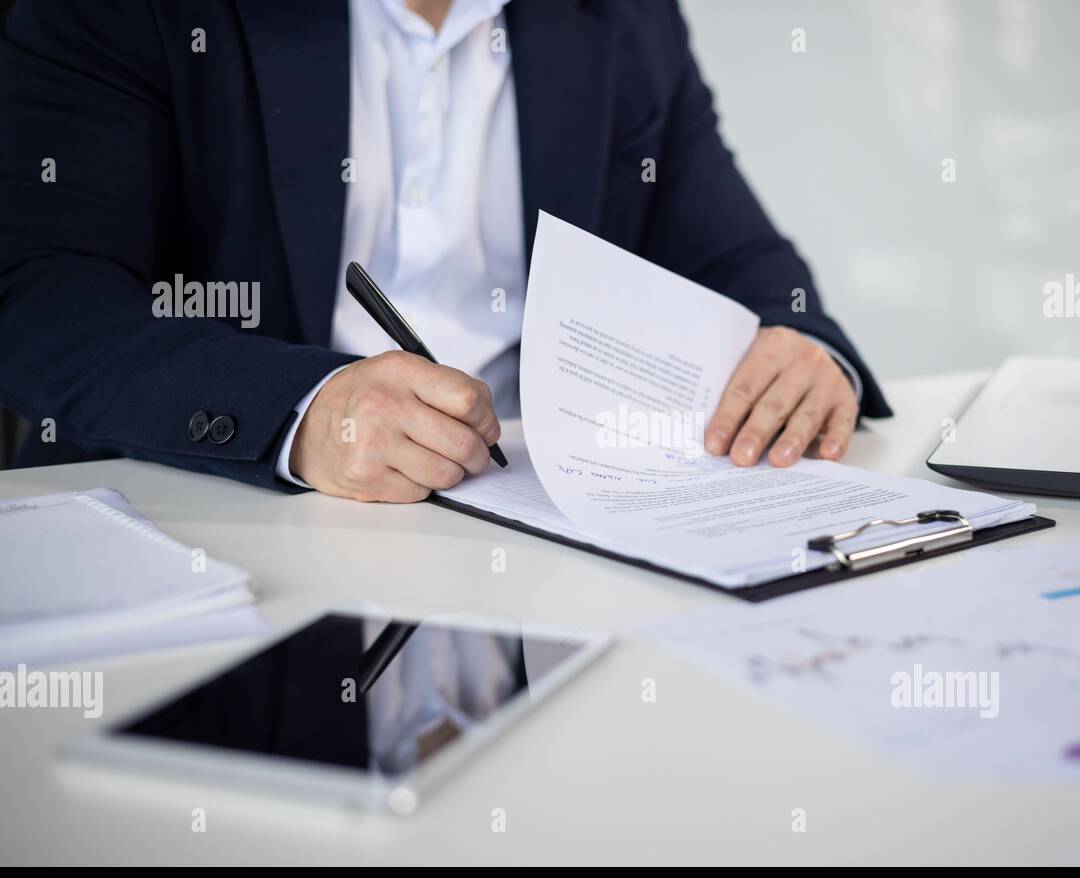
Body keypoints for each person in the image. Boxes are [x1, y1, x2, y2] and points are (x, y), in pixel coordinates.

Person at [0, 0, 890, 503]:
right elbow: (38, 295)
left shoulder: (624, 21)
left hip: (543, 528)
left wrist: (810, 353)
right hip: (221, 523)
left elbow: (740, 263)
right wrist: (303, 411)